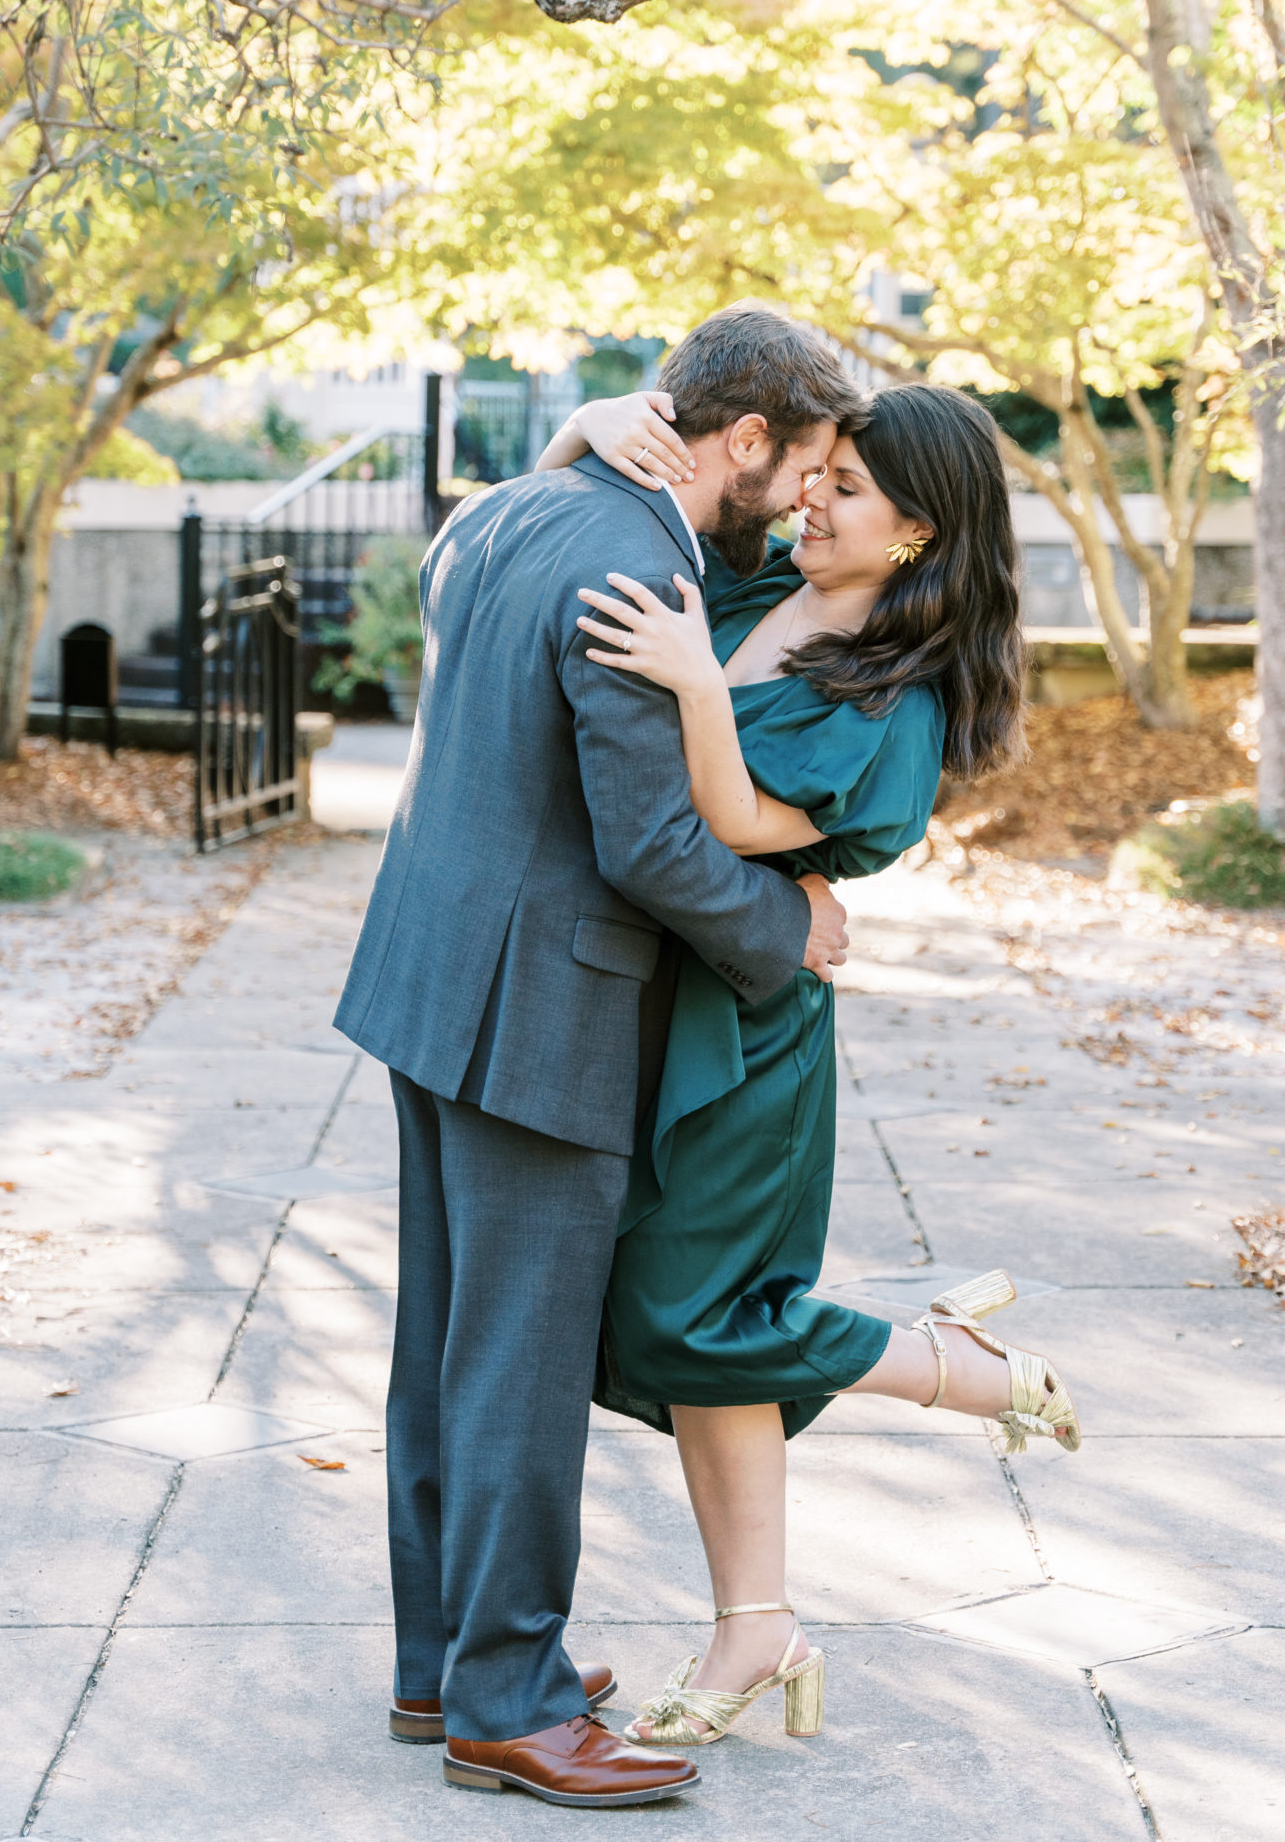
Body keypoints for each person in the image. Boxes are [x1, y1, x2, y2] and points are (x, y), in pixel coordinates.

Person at [333, 305, 868, 1808]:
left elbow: (455, 561)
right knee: (519, 1362)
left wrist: (572, 433)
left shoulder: (520, 513)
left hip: (430, 983)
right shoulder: (637, 572)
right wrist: (793, 924)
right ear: (743, 440)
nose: (809, 499)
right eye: (807, 464)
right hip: (538, 1010)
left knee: (449, 1344)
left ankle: (442, 1664)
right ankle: (508, 1701)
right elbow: (650, 845)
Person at [536, 376, 1080, 1750]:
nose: (807, 504)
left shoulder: (892, 700)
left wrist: (689, 684)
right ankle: (756, 1627)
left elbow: (730, 817)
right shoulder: (754, 592)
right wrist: (583, 426)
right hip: (660, 1006)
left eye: (843, 489)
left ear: (916, 531)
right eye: (815, 477)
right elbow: (556, 534)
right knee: (702, 1337)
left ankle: (950, 1364)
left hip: (747, 1038)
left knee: (691, 1323)